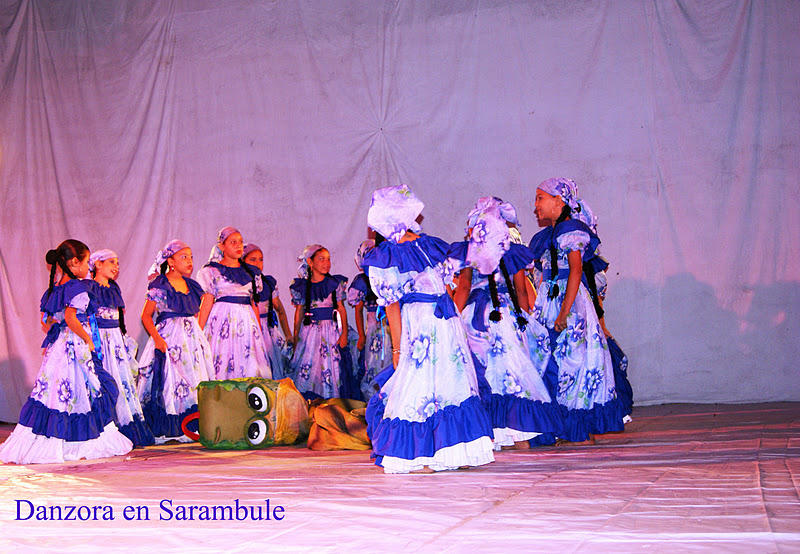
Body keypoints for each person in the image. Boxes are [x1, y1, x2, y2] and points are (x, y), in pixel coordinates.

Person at [362, 184, 494, 473]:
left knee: (451, 381)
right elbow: (392, 305)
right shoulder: (386, 256)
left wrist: (454, 316)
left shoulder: (429, 244)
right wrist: (397, 348)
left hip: (445, 322)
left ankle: (455, 450)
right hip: (419, 324)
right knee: (421, 384)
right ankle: (422, 453)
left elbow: (450, 285)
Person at [0, 240, 132, 463]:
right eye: (86, 262)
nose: (88, 266)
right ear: (74, 262)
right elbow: (71, 317)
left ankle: (59, 438)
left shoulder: (57, 288)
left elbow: (48, 318)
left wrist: (61, 328)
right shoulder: (78, 287)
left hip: (59, 346)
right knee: (82, 390)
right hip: (74, 345)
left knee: (57, 393)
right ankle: (77, 441)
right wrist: (87, 339)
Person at [450, 202, 562, 450]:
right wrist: (523, 320)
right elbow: (521, 291)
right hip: (508, 316)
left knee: (486, 370)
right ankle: (521, 433)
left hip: (478, 317)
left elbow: (464, 289)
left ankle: (495, 432)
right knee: (513, 370)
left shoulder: (470, 252)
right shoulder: (511, 251)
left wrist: (451, 317)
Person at [528, 178, 624, 443]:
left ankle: (578, 428)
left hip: (568, 304)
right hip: (550, 300)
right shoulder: (546, 236)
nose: (536, 205)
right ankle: (560, 425)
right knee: (549, 360)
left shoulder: (571, 230)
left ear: (558, 200)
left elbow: (576, 271)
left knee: (573, 360)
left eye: (540, 198)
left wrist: (564, 312)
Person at [138, 240, 213, 443]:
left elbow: (195, 313)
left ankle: (194, 424)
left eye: (190, 257)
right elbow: (146, 315)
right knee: (171, 380)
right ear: (170, 261)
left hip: (190, 338)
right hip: (169, 336)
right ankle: (170, 426)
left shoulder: (193, 286)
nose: (189, 261)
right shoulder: (160, 284)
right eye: (183, 257)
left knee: (192, 378)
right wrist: (157, 339)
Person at [89, 249, 154, 447]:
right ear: (98, 265)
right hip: (99, 339)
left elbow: (118, 316)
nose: (116, 266)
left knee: (121, 379)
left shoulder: (113, 287)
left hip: (114, 339)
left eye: (117, 262)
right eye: (111, 262)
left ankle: (125, 424)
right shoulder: (89, 287)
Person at [196, 227, 271, 379]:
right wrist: (198, 333)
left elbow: (253, 303)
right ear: (222, 246)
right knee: (222, 360)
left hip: (246, 321)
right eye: (233, 242)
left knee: (249, 362)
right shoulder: (212, 271)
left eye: (240, 242)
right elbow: (206, 303)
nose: (238, 246)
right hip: (222, 322)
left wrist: (258, 331)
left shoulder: (251, 272)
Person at [288, 245, 352, 399]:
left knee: (330, 364)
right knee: (308, 364)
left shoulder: (335, 283)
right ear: (310, 262)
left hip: (330, 331)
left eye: (328, 259)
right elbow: (299, 311)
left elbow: (341, 309)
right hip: (310, 332)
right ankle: (308, 400)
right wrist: (296, 336)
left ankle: (330, 399)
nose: (326, 263)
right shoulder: (302, 286)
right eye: (321, 259)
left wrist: (344, 335)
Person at [347, 239, 393, 401]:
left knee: (392, 360)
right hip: (375, 329)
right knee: (375, 363)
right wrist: (361, 335)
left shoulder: (390, 275)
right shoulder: (363, 281)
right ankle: (374, 400)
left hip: (392, 325)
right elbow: (358, 309)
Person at [242, 243, 293, 380]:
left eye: (260, 259)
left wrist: (288, 335)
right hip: (248, 331)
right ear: (242, 261)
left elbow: (280, 310)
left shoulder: (269, 283)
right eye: (252, 259)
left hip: (266, 332)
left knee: (271, 367)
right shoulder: (240, 285)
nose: (258, 263)